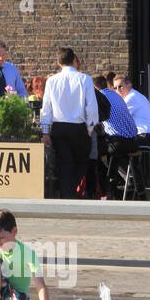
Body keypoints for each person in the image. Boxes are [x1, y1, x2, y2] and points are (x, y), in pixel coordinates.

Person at [40, 48, 98, 198]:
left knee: (64, 164)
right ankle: (70, 192)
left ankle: (67, 194)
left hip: (59, 126)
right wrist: (90, 127)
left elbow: (46, 108)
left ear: (58, 63)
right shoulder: (85, 79)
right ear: (74, 60)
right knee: (82, 161)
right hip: (79, 127)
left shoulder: (52, 81)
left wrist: (45, 131)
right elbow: (91, 107)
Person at [93, 75, 138, 198]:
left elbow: (95, 120)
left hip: (118, 142)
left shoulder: (99, 97)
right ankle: (122, 182)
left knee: (97, 153)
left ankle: (109, 186)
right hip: (133, 140)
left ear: (95, 89)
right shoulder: (115, 95)